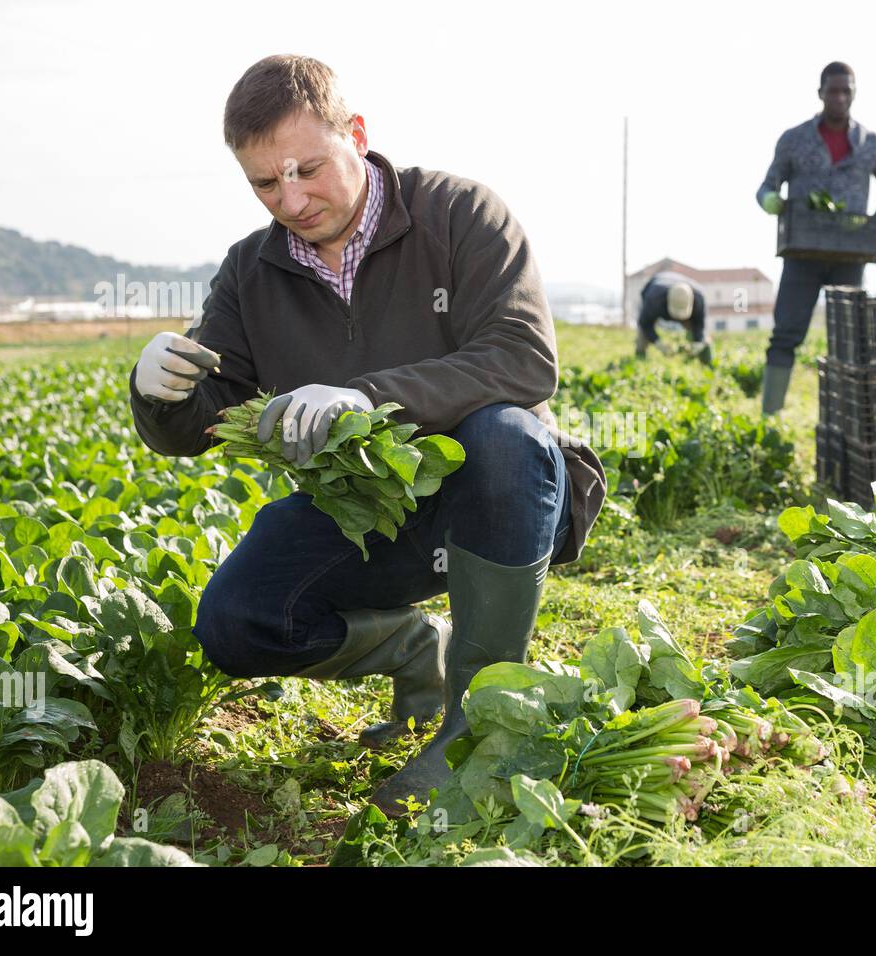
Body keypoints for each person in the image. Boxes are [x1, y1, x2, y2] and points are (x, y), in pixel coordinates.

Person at [129, 54, 606, 816]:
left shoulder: (458, 212)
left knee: (507, 436)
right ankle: (415, 648)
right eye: (264, 183)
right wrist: (157, 394)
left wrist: (363, 397)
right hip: (369, 512)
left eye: (308, 169)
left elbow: (524, 359)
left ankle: (478, 722)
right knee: (234, 621)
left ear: (355, 133)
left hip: (496, 501)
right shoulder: (252, 272)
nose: (291, 199)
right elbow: (201, 421)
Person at [755, 61, 876, 414]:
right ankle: (770, 416)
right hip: (802, 252)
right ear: (820, 93)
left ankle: (850, 416)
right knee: (785, 335)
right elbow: (766, 186)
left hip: (850, 255)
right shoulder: (793, 140)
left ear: (853, 94)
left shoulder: (874, 146)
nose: (839, 97)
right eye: (833, 90)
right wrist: (770, 202)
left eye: (846, 91)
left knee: (851, 342)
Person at [635, 269, 713, 366]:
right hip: (656, 288)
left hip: (683, 292)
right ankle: (640, 359)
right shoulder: (653, 298)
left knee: (704, 337)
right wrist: (658, 343)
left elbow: (701, 326)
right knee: (643, 333)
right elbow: (645, 324)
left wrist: (699, 343)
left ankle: (707, 363)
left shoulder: (699, 299)